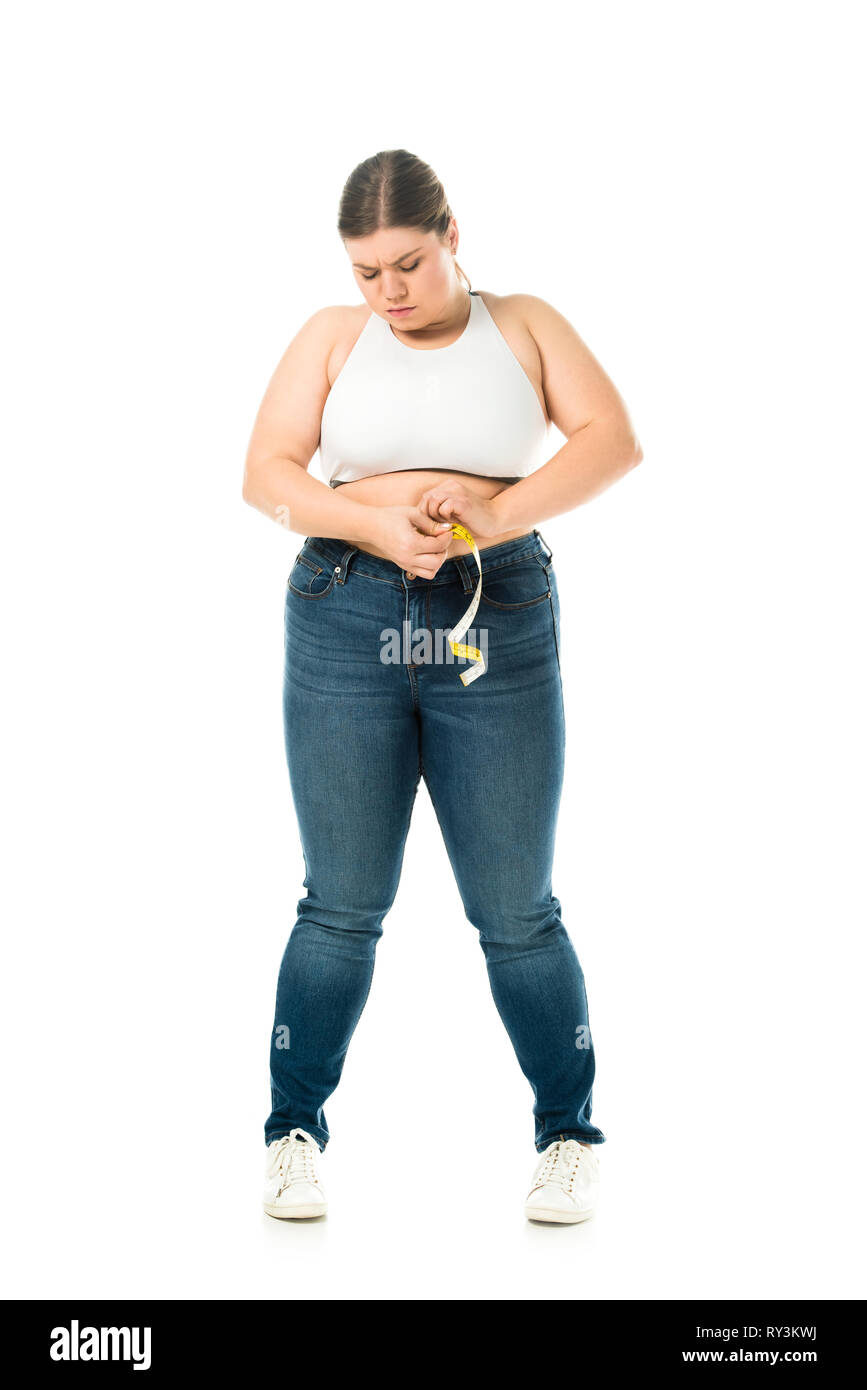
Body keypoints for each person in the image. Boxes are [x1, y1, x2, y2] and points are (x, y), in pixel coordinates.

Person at [242, 148, 643, 1224]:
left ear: (452, 232)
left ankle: (568, 1135)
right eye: (368, 271)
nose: (389, 293)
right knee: (340, 904)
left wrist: (489, 516)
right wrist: (372, 520)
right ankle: (290, 1132)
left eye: (408, 264)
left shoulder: (524, 325)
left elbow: (614, 442)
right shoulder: (332, 336)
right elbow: (266, 474)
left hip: (493, 616)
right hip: (343, 607)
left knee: (516, 908)